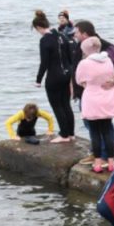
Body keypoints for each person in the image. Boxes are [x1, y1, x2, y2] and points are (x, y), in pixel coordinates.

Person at [75, 35, 114, 174]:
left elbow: (79, 80)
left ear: (85, 50)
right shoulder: (108, 60)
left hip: (92, 99)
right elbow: (112, 75)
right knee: (107, 129)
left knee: (95, 131)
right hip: (108, 97)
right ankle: (111, 161)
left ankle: (98, 162)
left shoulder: (84, 63)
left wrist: (89, 84)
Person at [32, 10, 78, 141]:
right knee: (66, 105)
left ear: (38, 27)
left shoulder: (45, 40)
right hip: (67, 74)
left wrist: (38, 80)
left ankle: (64, 135)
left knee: (57, 106)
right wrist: (70, 72)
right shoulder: (61, 35)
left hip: (54, 77)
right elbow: (70, 55)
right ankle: (71, 134)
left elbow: (44, 62)